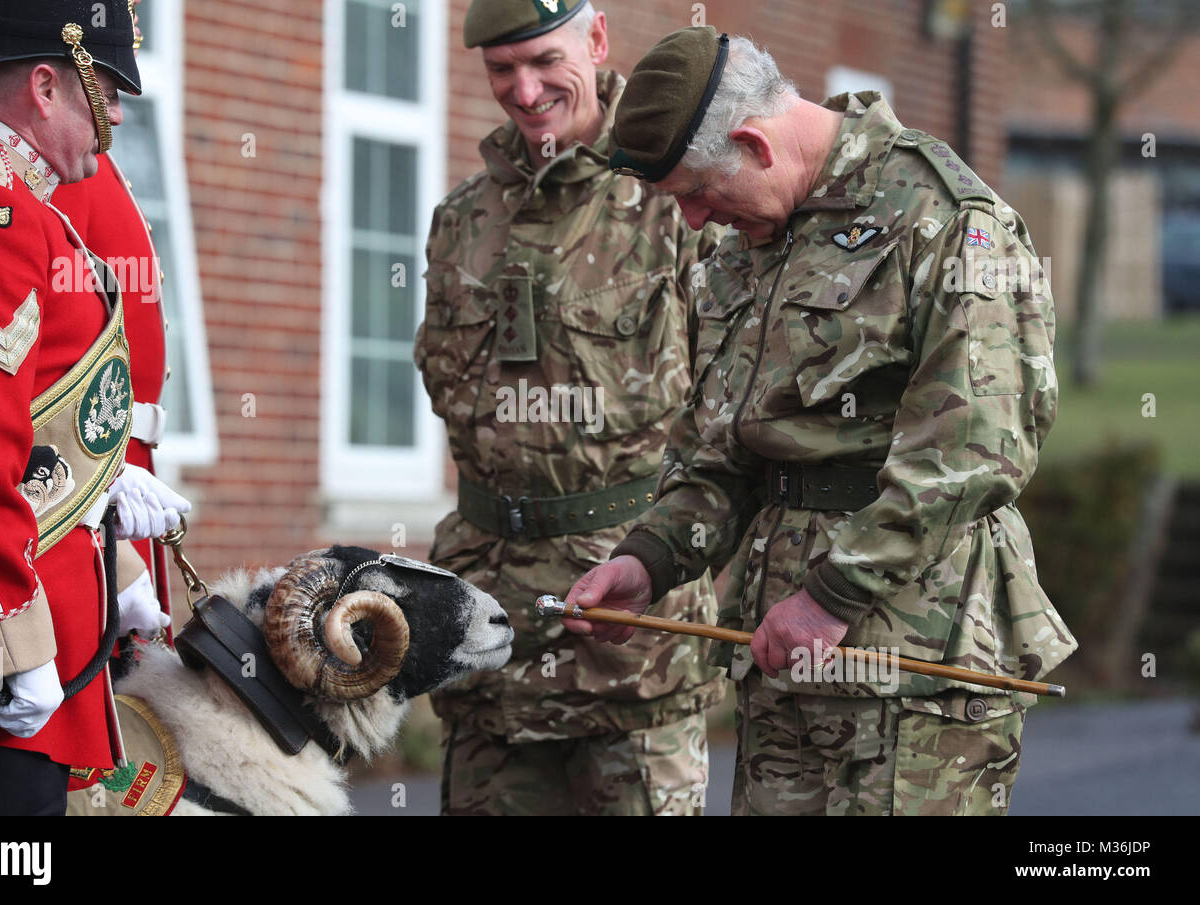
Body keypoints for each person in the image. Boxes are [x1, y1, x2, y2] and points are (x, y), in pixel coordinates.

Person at [564, 27, 1078, 815]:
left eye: (697, 191)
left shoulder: (943, 217)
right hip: (783, 659)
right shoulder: (744, 249)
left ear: (751, 143)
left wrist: (834, 595)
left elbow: (976, 447)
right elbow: (723, 451)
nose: (695, 220)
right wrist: (650, 558)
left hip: (913, 660)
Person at [414, 0, 726, 815]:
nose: (524, 90)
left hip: (631, 638)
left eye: (545, 60)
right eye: (501, 69)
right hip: (491, 633)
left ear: (595, 40)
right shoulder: (460, 221)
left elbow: (734, 413)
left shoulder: (678, 201)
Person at [0, 0, 184, 816]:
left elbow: (36, 433)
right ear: (46, 84)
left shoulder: (18, 204)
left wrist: (112, 563)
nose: (120, 117)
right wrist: (8, 638)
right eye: (109, 93)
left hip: (43, 637)